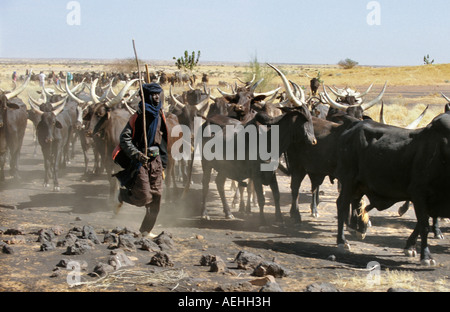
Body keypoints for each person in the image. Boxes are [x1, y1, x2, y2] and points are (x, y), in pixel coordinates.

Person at [113, 82, 168, 237]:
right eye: (153, 94)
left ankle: (145, 231)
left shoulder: (160, 114)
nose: (157, 97)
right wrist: (136, 154)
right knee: (144, 197)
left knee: (156, 199)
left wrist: (163, 163)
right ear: (147, 96)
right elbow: (124, 139)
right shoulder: (137, 117)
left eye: (159, 94)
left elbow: (164, 141)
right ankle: (122, 195)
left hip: (155, 162)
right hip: (140, 162)